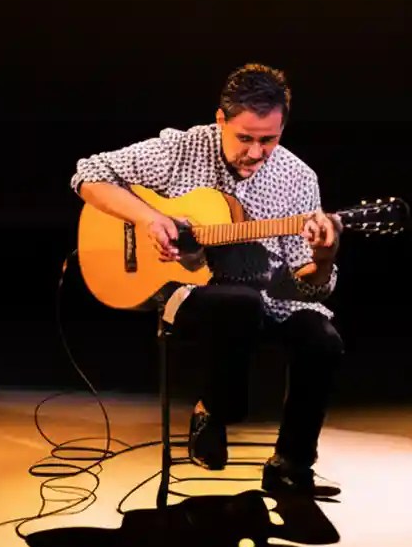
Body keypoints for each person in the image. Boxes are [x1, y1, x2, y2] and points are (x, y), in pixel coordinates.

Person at [71, 62, 343, 494]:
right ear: (221, 120)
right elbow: (88, 175)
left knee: (322, 337)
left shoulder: (298, 178)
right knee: (238, 305)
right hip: (187, 292)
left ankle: (291, 461)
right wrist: (150, 219)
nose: (256, 152)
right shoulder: (182, 149)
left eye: (269, 140)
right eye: (245, 138)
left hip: (268, 296)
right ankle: (214, 411)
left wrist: (325, 258)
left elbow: (300, 283)